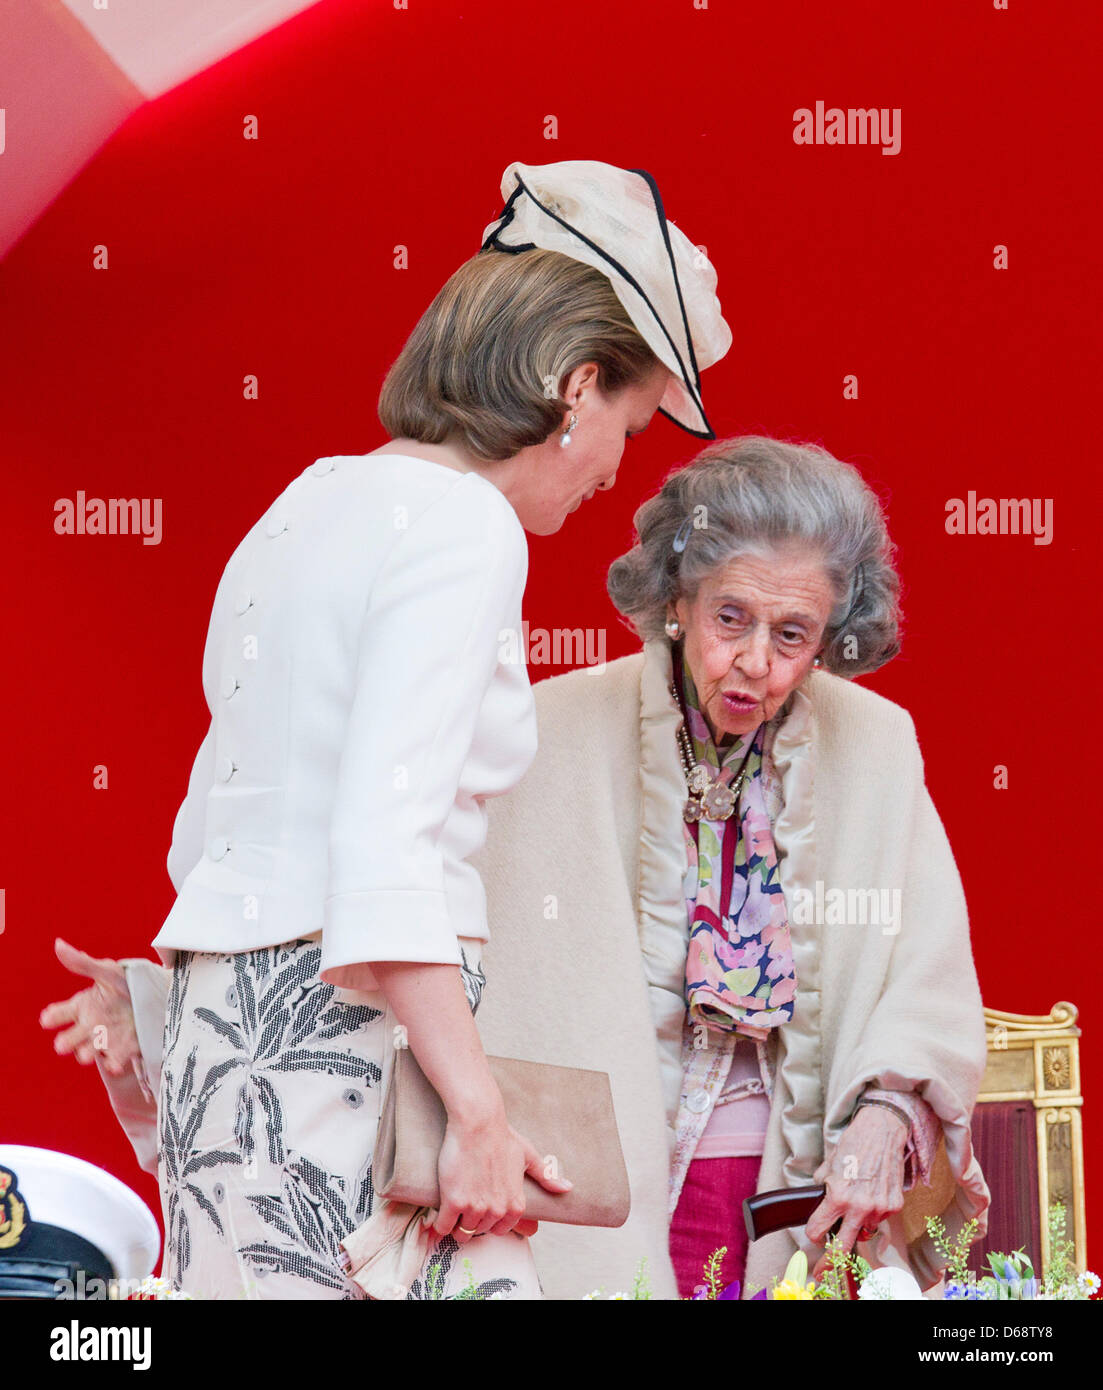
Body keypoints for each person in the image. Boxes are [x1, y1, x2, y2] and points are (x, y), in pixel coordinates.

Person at [38, 159, 732, 1300]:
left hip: (228, 1046)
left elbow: (214, 827)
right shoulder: (467, 529)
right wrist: (478, 1112)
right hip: (347, 1056)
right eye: (631, 419)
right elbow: (384, 839)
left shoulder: (303, 501)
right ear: (574, 385)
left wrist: (154, 1003)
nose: (618, 467)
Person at [471, 434, 991, 1299]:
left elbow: (925, 975)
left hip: (791, 1190)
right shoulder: (551, 728)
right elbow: (488, 968)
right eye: (729, 619)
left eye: (793, 635)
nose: (756, 663)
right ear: (677, 598)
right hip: (589, 1183)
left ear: (833, 636)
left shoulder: (875, 743)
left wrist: (885, 1114)